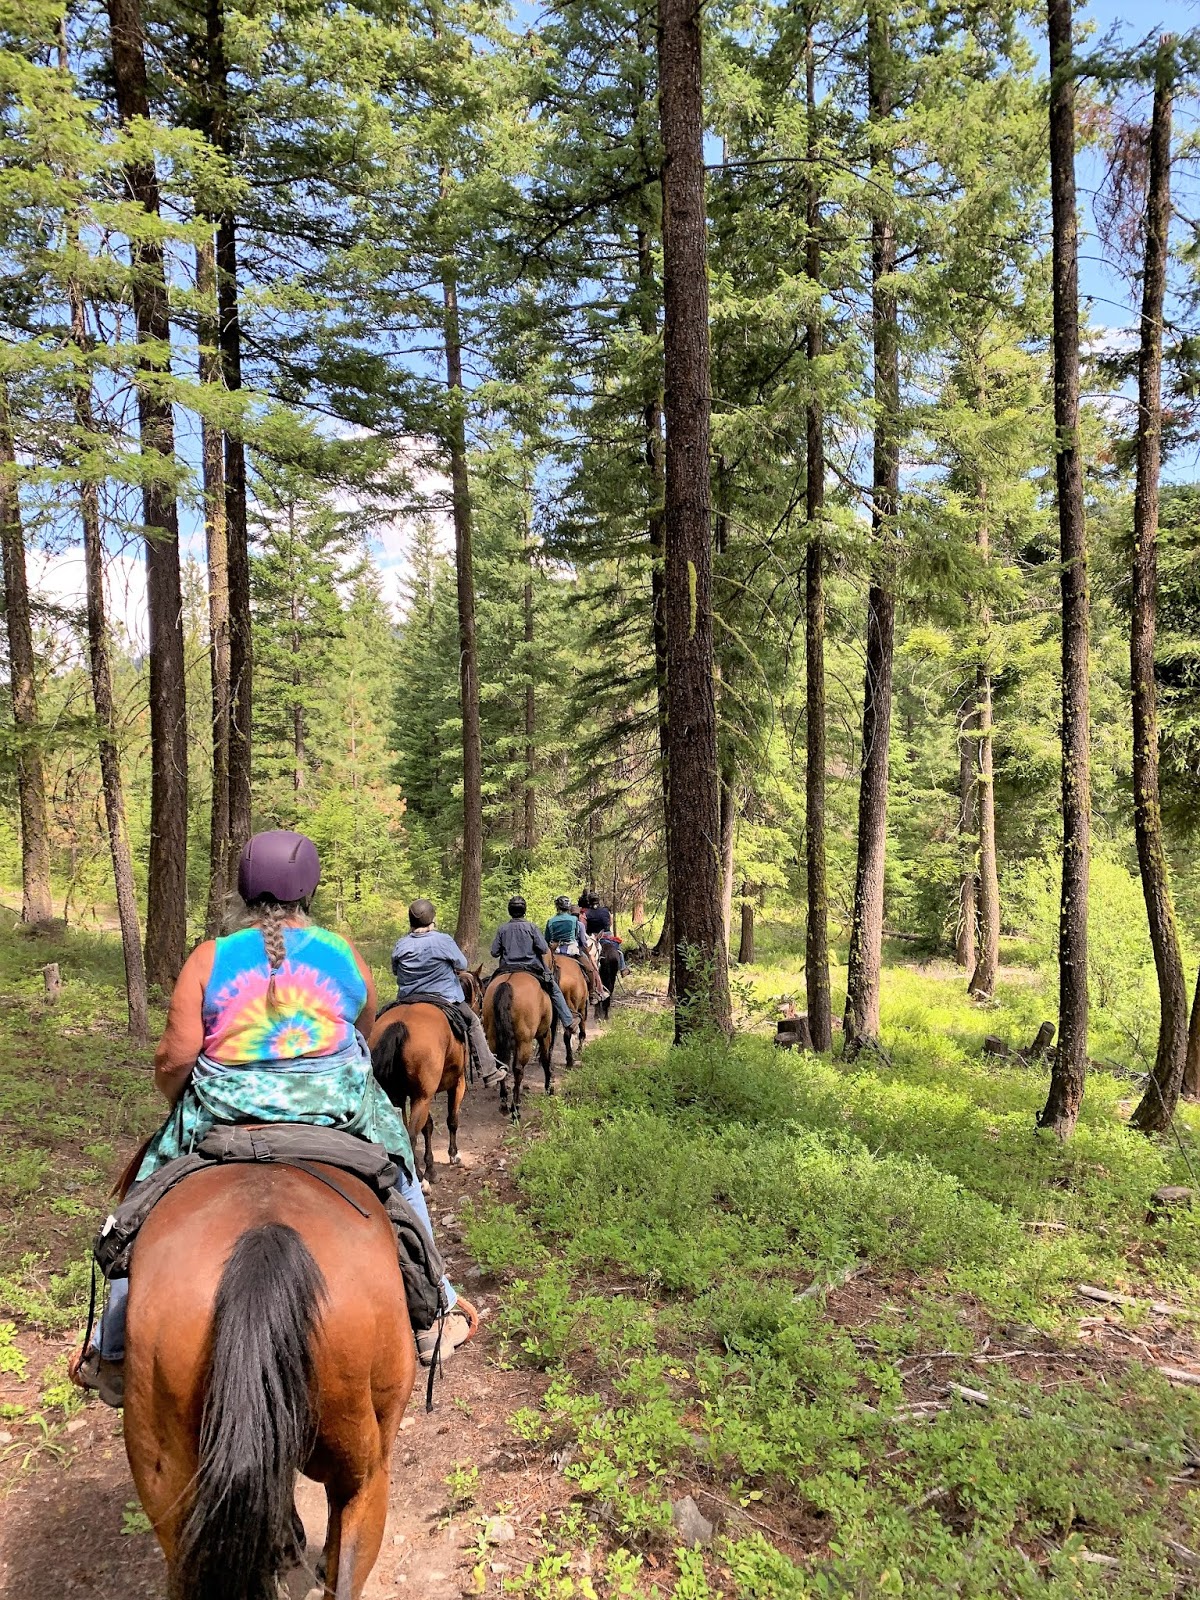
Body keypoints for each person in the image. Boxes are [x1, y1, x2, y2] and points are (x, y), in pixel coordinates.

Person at [72, 831, 476, 1406]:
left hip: (225, 1110)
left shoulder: (210, 958)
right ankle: (435, 1303)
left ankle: (112, 1349)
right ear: (308, 889)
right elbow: (361, 1037)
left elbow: (176, 1058)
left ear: (242, 889)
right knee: (402, 1178)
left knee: (139, 1201)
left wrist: (176, 1096)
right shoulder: (342, 953)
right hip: (334, 1104)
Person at [392, 899, 507, 1087]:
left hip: (407, 998)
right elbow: (462, 964)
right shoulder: (442, 940)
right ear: (432, 919)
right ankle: (488, 1071)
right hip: (443, 998)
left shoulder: (401, 944)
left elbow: (396, 970)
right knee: (473, 1022)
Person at [490, 895, 574, 1034]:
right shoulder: (531, 927)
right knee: (554, 989)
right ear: (524, 911)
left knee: (487, 989)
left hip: (506, 969)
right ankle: (568, 1021)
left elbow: (494, 952)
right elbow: (543, 948)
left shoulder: (502, 929)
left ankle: (483, 1020)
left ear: (509, 911)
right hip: (532, 968)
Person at [544, 895, 604, 1001]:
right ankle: (592, 993)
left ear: (557, 906)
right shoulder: (574, 920)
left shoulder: (551, 921)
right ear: (568, 907)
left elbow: (547, 939)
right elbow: (580, 939)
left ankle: (545, 992)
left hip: (556, 952)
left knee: (545, 971)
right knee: (590, 969)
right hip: (572, 951)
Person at [583, 891, 626, 971]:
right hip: (607, 934)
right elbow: (610, 923)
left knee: (584, 951)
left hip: (593, 936)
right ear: (598, 901)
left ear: (589, 901)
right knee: (618, 950)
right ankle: (623, 967)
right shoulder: (606, 910)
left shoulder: (586, 913)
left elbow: (584, 926)